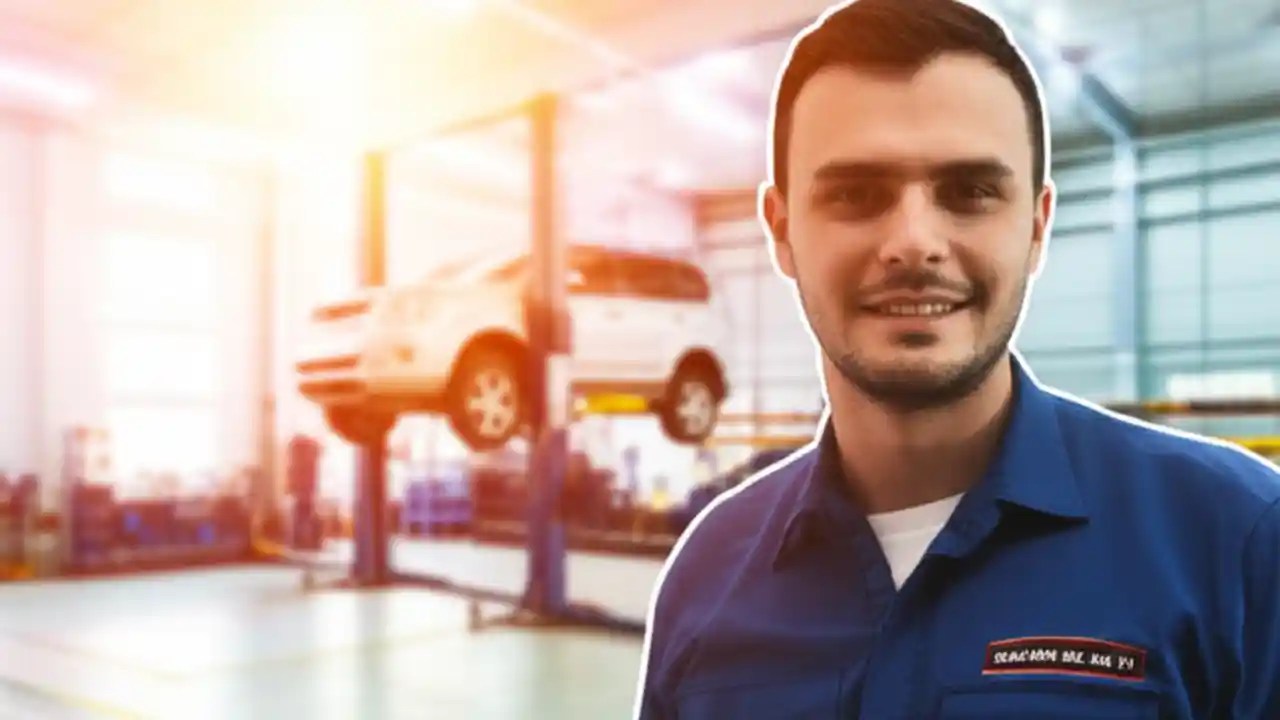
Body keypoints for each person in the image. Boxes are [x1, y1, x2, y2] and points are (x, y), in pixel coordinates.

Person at [634, 0, 1280, 717]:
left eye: (969, 191)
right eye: (855, 193)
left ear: (1036, 228)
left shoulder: (1235, 543)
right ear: (781, 231)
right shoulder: (708, 576)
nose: (914, 241)